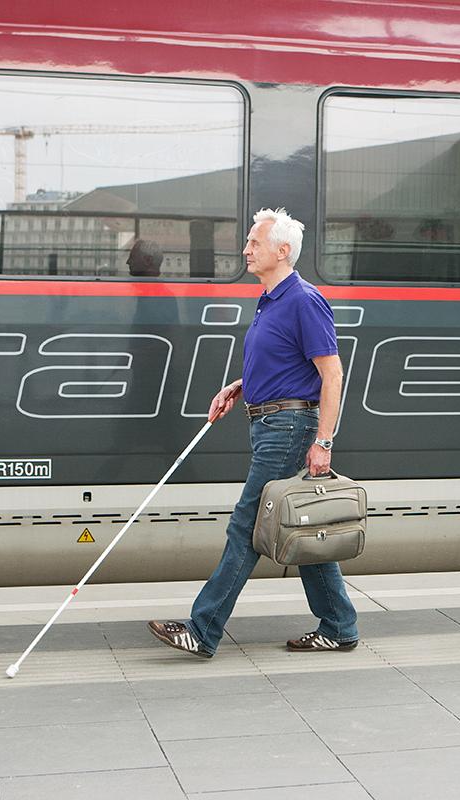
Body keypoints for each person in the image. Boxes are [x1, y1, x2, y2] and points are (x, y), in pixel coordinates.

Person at [148, 208, 360, 658]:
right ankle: (340, 626)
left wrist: (323, 442)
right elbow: (288, 361)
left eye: (254, 243)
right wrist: (243, 386)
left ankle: (202, 630)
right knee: (301, 524)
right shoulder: (271, 299)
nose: (246, 250)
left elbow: (332, 374)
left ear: (282, 251)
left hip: (289, 428)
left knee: (248, 524)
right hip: (268, 422)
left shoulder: (303, 299)